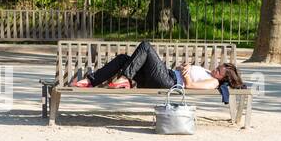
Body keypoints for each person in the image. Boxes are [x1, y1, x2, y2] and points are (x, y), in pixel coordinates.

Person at [72, 41, 246, 102]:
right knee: (124, 58)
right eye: (218, 67)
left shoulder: (214, 82)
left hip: (169, 82)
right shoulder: (210, 74)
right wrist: (183, 68)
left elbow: (191, 86)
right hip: (166, 76)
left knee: (146, 46)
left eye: (219, 70)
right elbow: (188, 75)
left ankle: (125, 78)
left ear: (224, 78)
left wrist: (184, 74)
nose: (215, 69)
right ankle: (91, 80)